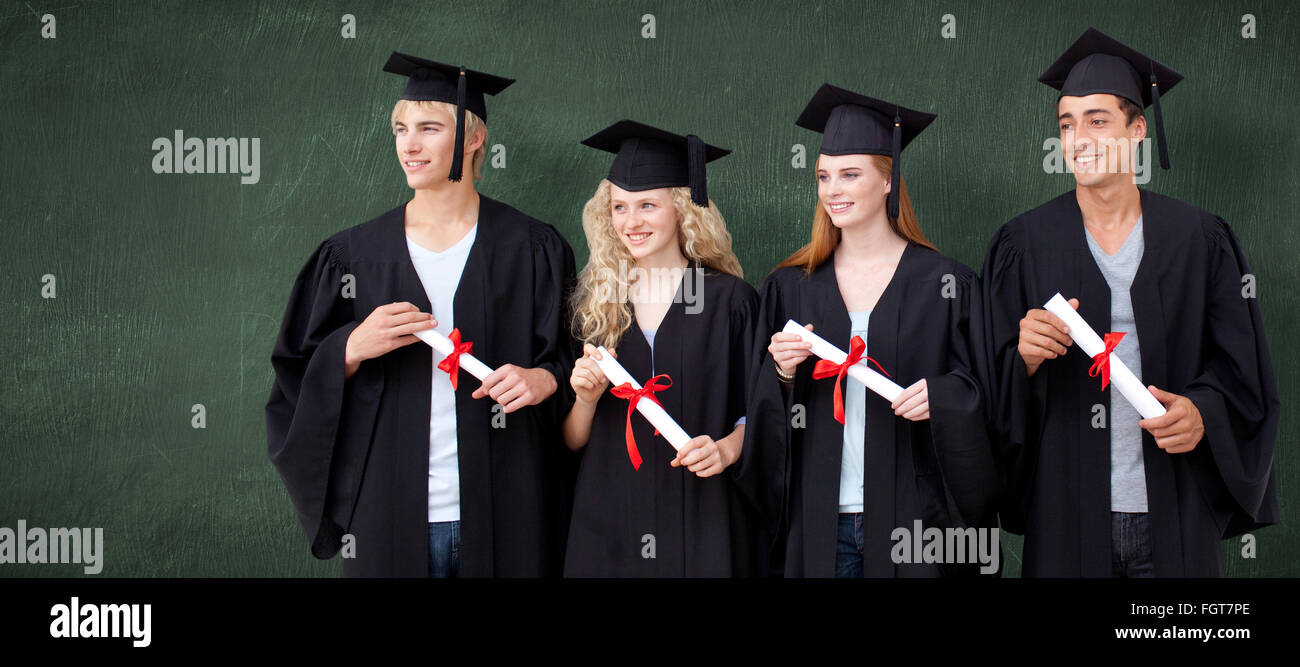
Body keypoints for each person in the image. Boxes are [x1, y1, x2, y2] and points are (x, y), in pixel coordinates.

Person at [266, 52, 578, 577]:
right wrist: (348, 349)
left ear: (474, 138)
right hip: (386, 513)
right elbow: (294, 378)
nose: (408, 145)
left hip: (511, 509)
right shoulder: (351, 257)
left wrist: (545, 380)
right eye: (400, 129)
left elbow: (577, 362)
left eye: (429, 128)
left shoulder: (534, 248)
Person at [981, 28, 1279, 577]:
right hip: (1063, 514)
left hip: (1175, 511)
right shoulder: (1021, 245)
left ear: (1137, 129)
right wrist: (1019, 358)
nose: (1079, 138)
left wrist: (1202, 412)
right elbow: (981, 389)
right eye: (1066, 124)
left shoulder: (1199, 240)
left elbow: (1242, 373)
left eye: (1098, 120)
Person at [738, 84, 1000, 578]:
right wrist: (782, 373)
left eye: (850, 174)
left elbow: (986, 392)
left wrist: (942, 397)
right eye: (823, 176)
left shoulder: (947, 283)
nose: (833, 190)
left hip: (915, 521)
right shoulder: (788, 288)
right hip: (818, 519)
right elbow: (761, 418)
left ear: (888, 180)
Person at [561, 120, 761, 577]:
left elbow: (764, 412)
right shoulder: (596, 305)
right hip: (610, 519)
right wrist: (586, 401)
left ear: (683, 210)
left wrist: (728, 449)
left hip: (706, 514)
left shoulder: (730, 301)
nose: (631, 222)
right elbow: (572, 440)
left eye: (647, 205)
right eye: (619, 207)